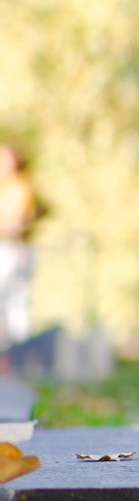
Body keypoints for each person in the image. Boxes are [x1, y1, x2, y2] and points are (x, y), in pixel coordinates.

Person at [0, 145, 42, 349]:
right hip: (10, 247)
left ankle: (17, 347)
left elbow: (16, 221)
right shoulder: (8, 187)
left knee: (13, 297)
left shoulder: (19, 187)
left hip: (12, 248)